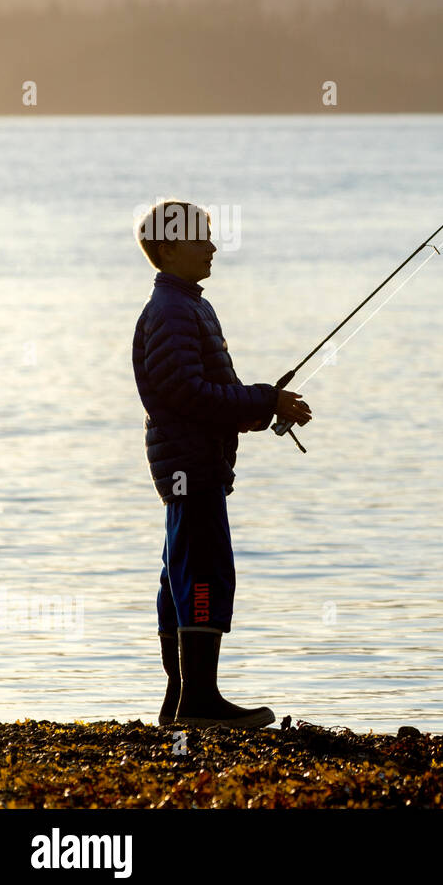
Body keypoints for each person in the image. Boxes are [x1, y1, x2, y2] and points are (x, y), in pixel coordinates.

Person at [130, 200, 311, 728]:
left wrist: (263, 405)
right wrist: (261, 401)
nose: (212, 246)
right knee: (203, 572)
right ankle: (200, 704)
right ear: (167, 250)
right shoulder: (171, 311)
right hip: (189, 465)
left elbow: (208, 393)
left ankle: (179, 702)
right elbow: (187, 392)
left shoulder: (186, 305)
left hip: (193, 462)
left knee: (181, 574)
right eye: (200, 238)